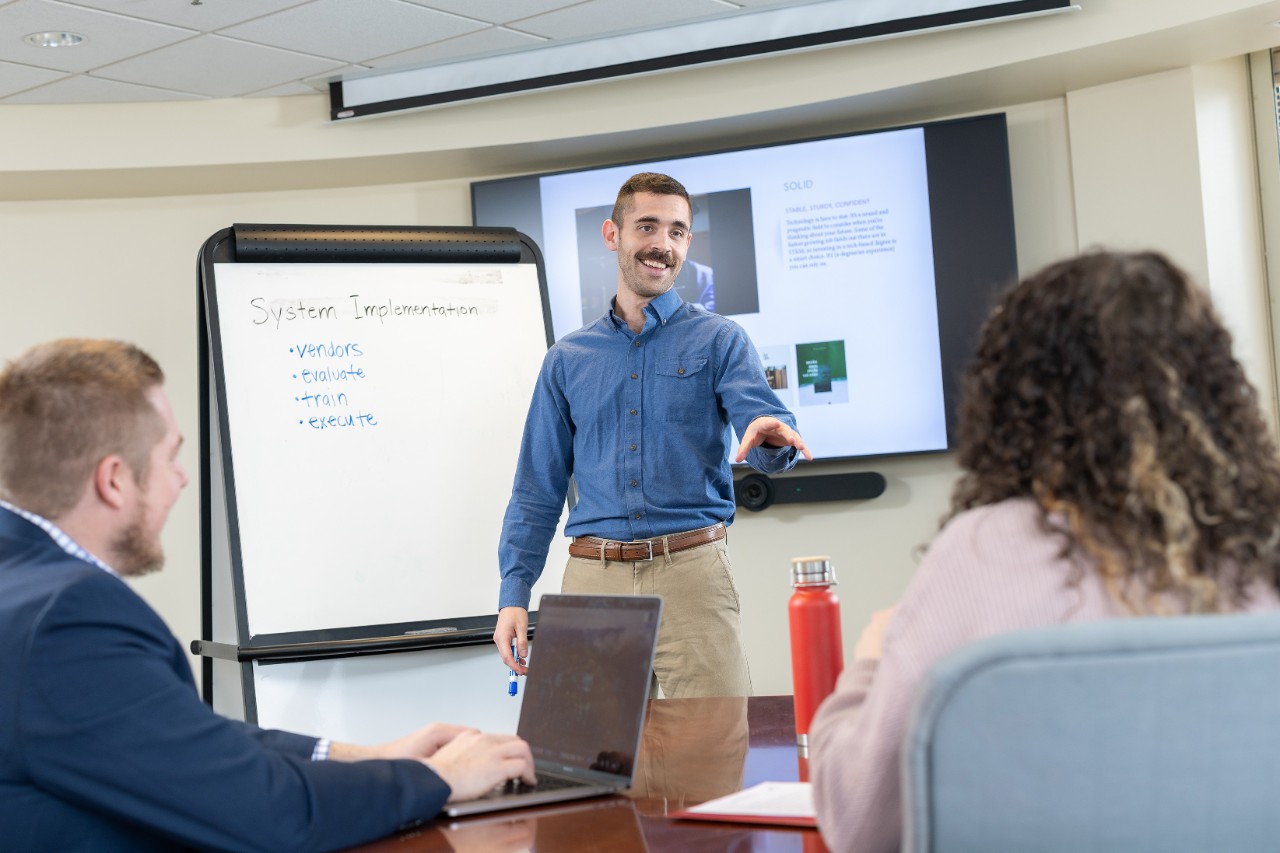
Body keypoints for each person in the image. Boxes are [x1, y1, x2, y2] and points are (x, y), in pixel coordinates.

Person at [809, 250, 1280, 853]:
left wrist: (872, 663)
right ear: (1215, 390)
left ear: (1016, 396)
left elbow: (860, 823)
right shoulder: (1265, 552)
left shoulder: (984, 550)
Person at [0, 338, 535, 852]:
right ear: (114, 481)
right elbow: (265, 811)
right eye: (170, 457)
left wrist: (360, 756)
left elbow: (189, 745)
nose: (183, 479)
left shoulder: (21, 585)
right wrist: (434, 778)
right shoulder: (67, 619)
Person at [494, 172, 811, 698]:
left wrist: (775, 438)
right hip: (593, 582)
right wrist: (514, 595)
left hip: (692, 576)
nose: (663, 244)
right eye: (647, 226)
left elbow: (763, 426)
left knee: (713, 762)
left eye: (678, 231)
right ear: (612, 234)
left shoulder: (721, 340)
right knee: (588, 763)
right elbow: (536, 489)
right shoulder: (566, 361)